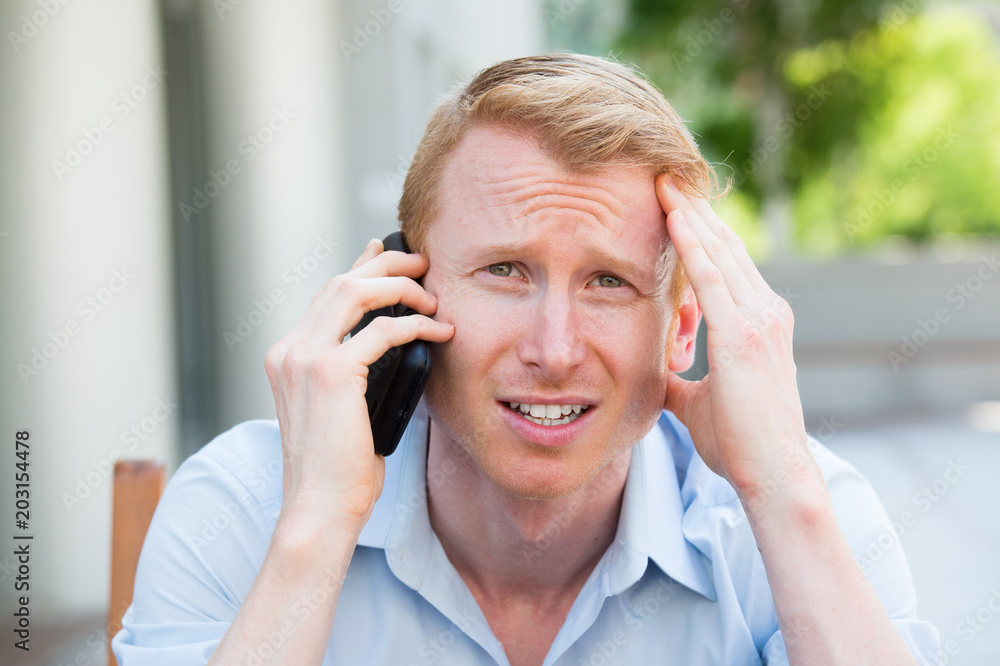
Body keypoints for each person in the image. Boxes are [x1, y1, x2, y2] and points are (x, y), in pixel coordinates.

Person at [113, 54, 939, 665]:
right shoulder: (245, 505)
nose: (553, 350)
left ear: (682, 329)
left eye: (609, 282)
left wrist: (783, 489)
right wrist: (318, 527)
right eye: (506, 271)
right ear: (400, 295)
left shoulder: (799, 514)